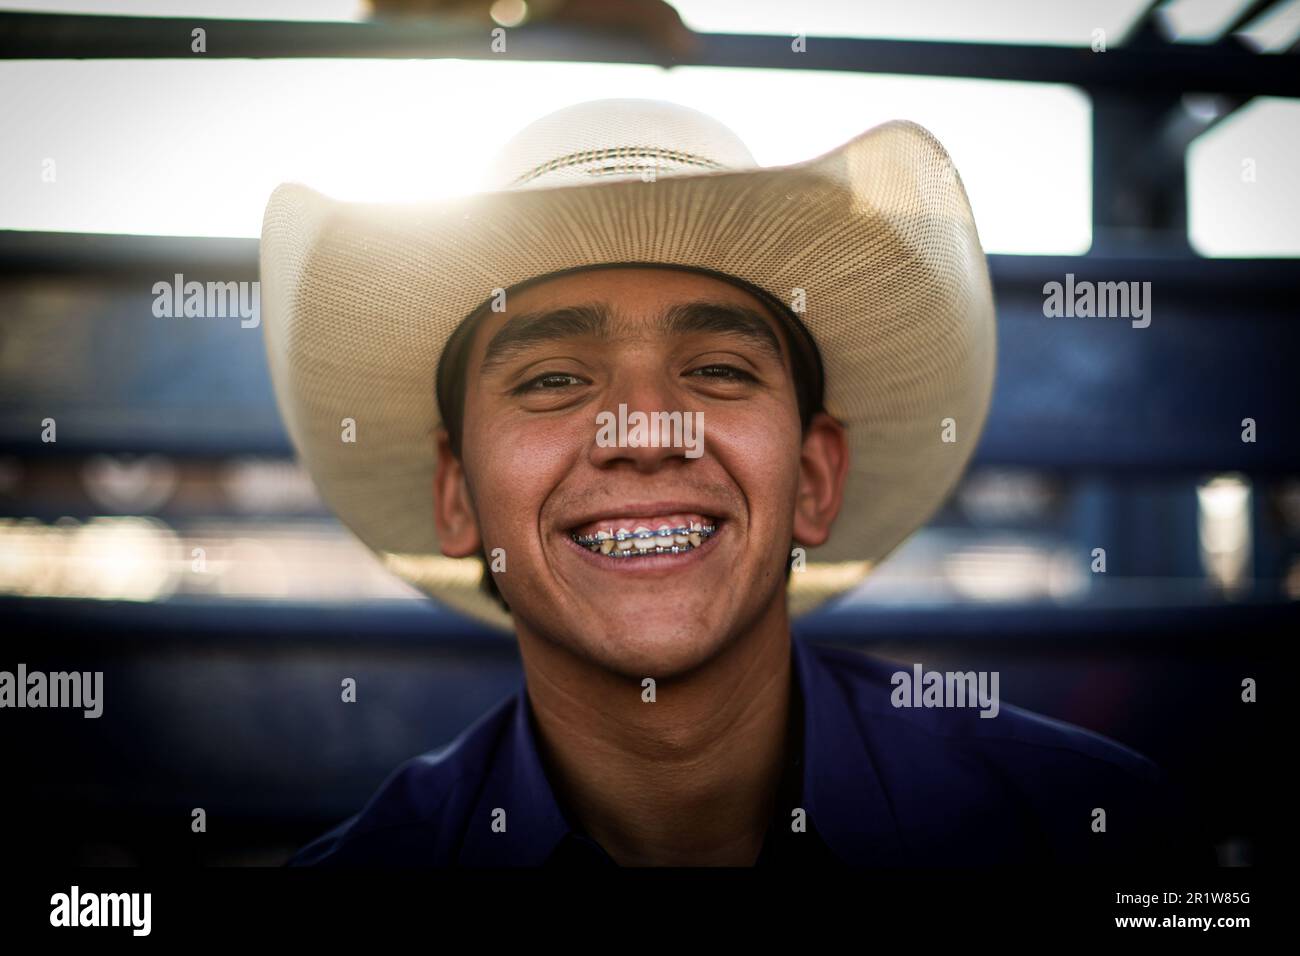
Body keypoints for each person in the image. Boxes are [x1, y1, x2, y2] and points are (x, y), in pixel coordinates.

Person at [260, 99, 1204, 866]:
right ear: (456, 495)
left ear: (815, 477)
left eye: (718, 371)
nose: (644, 431)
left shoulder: (1090, 830)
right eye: (553, 381)